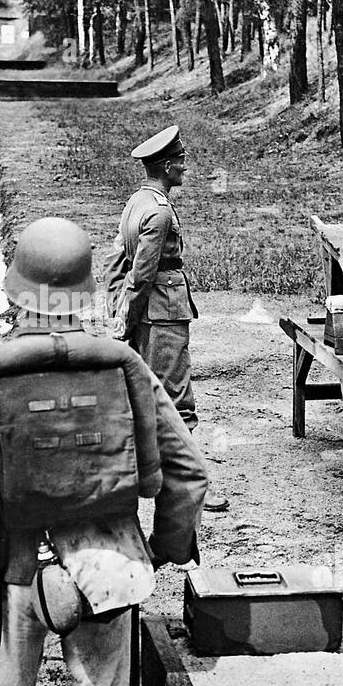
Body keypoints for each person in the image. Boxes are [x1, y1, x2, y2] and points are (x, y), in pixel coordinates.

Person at [0, 217, 207, 686]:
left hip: (11, 567)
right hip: (107, 562)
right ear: (85, 291)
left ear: (16, 291)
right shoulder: (124, 364)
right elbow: (189, 472)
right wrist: (165, 546)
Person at [104, 125, 228, 512]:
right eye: (182, 163)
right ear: (168, 166)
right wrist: (124, 321)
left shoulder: (135, 202)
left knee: (148, 394)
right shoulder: (158, 211)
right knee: (177, 401)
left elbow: (114, 264)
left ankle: (148, 474)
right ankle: (187, 488)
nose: (186, 169)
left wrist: (117, 309)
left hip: (146, 313)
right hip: (163, 313)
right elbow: (141, 274)